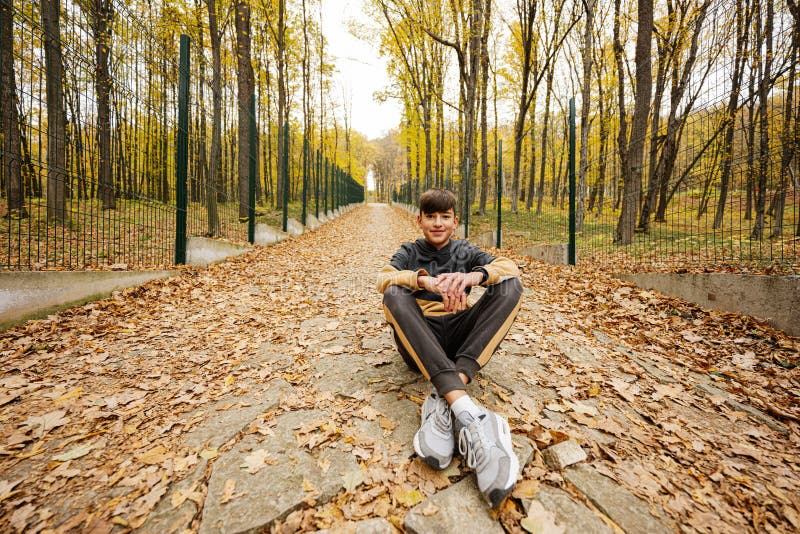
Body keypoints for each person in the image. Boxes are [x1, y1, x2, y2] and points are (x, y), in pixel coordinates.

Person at [376, 188, 524, 509]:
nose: (438, 223)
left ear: (455, 222)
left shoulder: (466, 251)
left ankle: (447, 396)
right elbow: (383, 279)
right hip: (421, 341)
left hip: (458, 335)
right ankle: (467, 413)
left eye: (445, 217)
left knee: (511, 286)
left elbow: (509, 267)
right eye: (431, 216)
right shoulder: (410, 251)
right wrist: (425, 282)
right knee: (394, 294)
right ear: (419, 220)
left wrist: (474, 277)